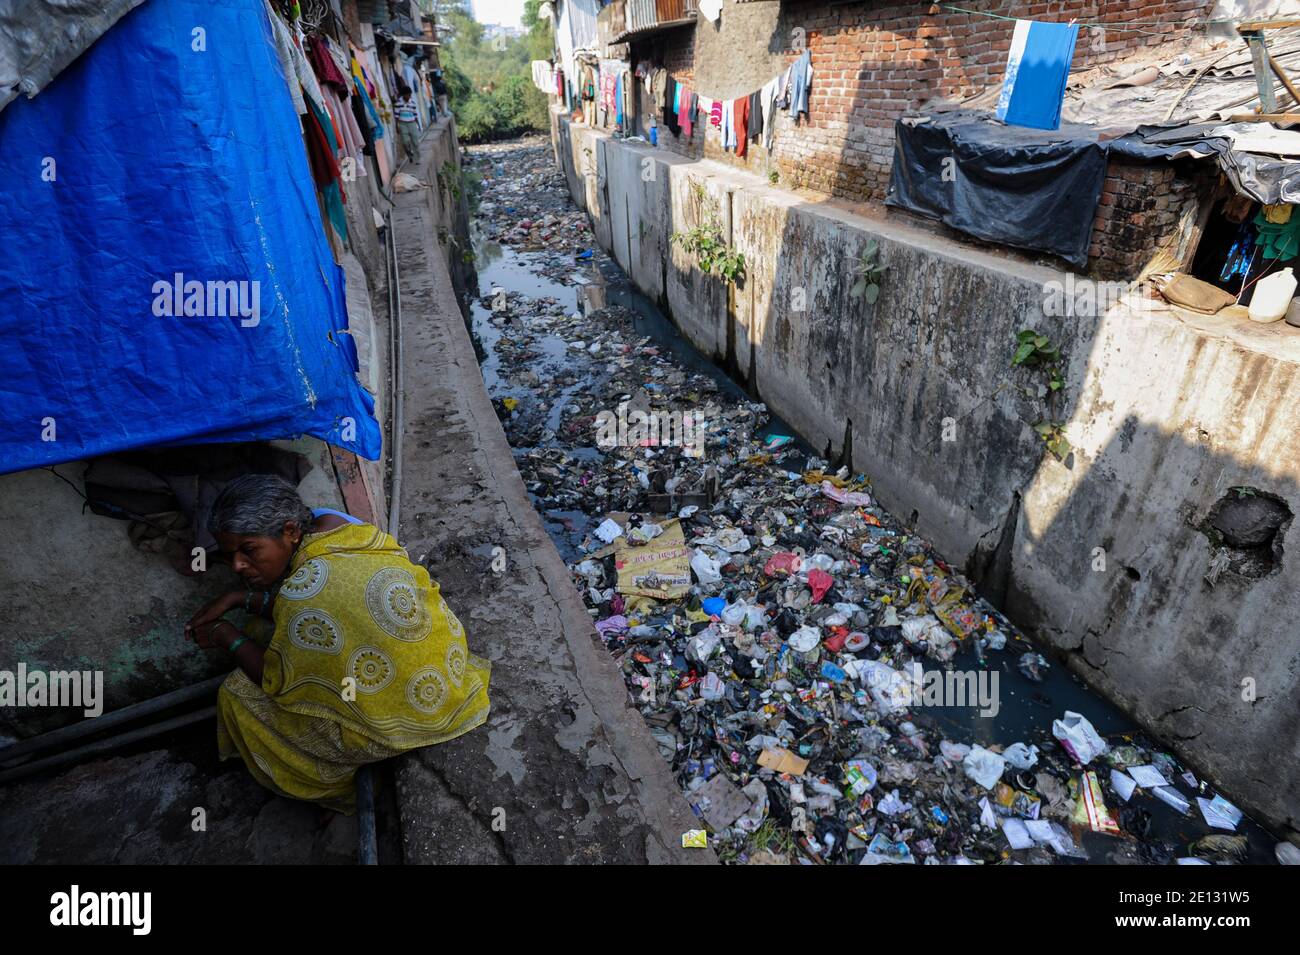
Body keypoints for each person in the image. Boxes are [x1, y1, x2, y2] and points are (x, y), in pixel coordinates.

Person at [187, 474, 490, 812]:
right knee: (265, 628)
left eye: (248, 550)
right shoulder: (342, 527)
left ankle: (340, 788)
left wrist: (224, 635)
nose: (238, 565)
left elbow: (277, 682)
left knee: (236, 694)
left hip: (405, 726)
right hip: (450, 682)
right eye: (230, 556)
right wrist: (237, 598)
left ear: (290, 531)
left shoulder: (304, 593)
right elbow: (322, 607)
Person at [394, 81, 420, 164]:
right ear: (403, 95)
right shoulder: (398, 103)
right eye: (408, 95)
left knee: (415, 142)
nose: (409, 96)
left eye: (410, 95)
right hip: (403, 124)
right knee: (405, 142)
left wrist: (418, 124)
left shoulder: (412, 103)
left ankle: (417, 159)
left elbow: (415, 115)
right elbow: (396, 116)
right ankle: (410, 155)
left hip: (412, 123)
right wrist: (397, 126)